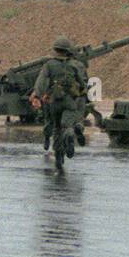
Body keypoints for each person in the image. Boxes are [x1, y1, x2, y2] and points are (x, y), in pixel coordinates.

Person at [31, 36, 88, 174]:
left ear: (55, 50)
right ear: (68, 51)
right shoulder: (74, 65)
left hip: (53, 102)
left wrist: (36, 96)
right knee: (67, 126)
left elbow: (41, 81)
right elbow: (82, 84)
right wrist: (80, 94)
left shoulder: (49, 65)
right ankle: (69, 134)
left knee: (56, 129)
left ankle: (58, 157)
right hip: (69, 102)